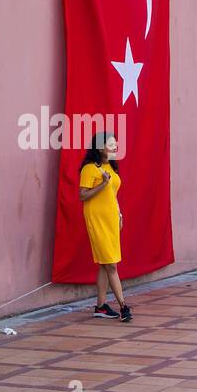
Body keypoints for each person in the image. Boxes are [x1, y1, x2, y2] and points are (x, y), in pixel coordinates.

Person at [79, 131, 132, 322]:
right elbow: (82, 195)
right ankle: (124, 306)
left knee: (104, 264)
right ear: (100, 147)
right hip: (96, 220)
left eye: (116, 144)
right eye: (111, 144)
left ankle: (100, 307)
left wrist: (119, 214)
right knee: (111, 264)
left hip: (110, 220)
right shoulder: (90, 169)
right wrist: (103, 184)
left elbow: (113, 195)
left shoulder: (111, 166)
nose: (115, 147)